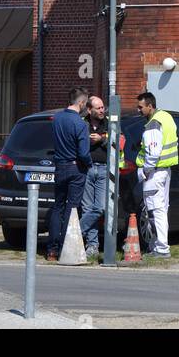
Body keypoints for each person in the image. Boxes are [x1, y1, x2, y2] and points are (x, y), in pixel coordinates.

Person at [45, 87, 91, 262]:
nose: (85, 106)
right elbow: (84, 153)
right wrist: (89, 164)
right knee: (72, 210)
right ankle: (65, 247)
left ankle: (52, 250)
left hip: (60, 166)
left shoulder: (57, 118)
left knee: (58, 207)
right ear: (81, 102)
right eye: (85, 103)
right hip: (75, 168)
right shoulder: (80, 124)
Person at [135, 91, 179, 259]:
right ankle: (159, 245)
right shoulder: (166, 117)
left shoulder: (153, 124)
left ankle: (161, 248)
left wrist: (145, 170)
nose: (138, 110)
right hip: (165, 170)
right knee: (161, 209)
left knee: (155, 210)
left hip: (154, 172)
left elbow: (153, 153)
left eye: (141, 107)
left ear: (150, 106)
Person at [79, 94, 108, 260]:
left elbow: (119, 143)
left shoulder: (109, 124)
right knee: (87, 208)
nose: (102, 110)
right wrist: (88, 142)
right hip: (87, 169)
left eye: (103, 107)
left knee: (100, 207)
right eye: (98, 108)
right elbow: (77, 143)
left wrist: (101, 139)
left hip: (104, 169)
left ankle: (75, 232)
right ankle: (92, 245)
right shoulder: (82, 124)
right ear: (89, 110)